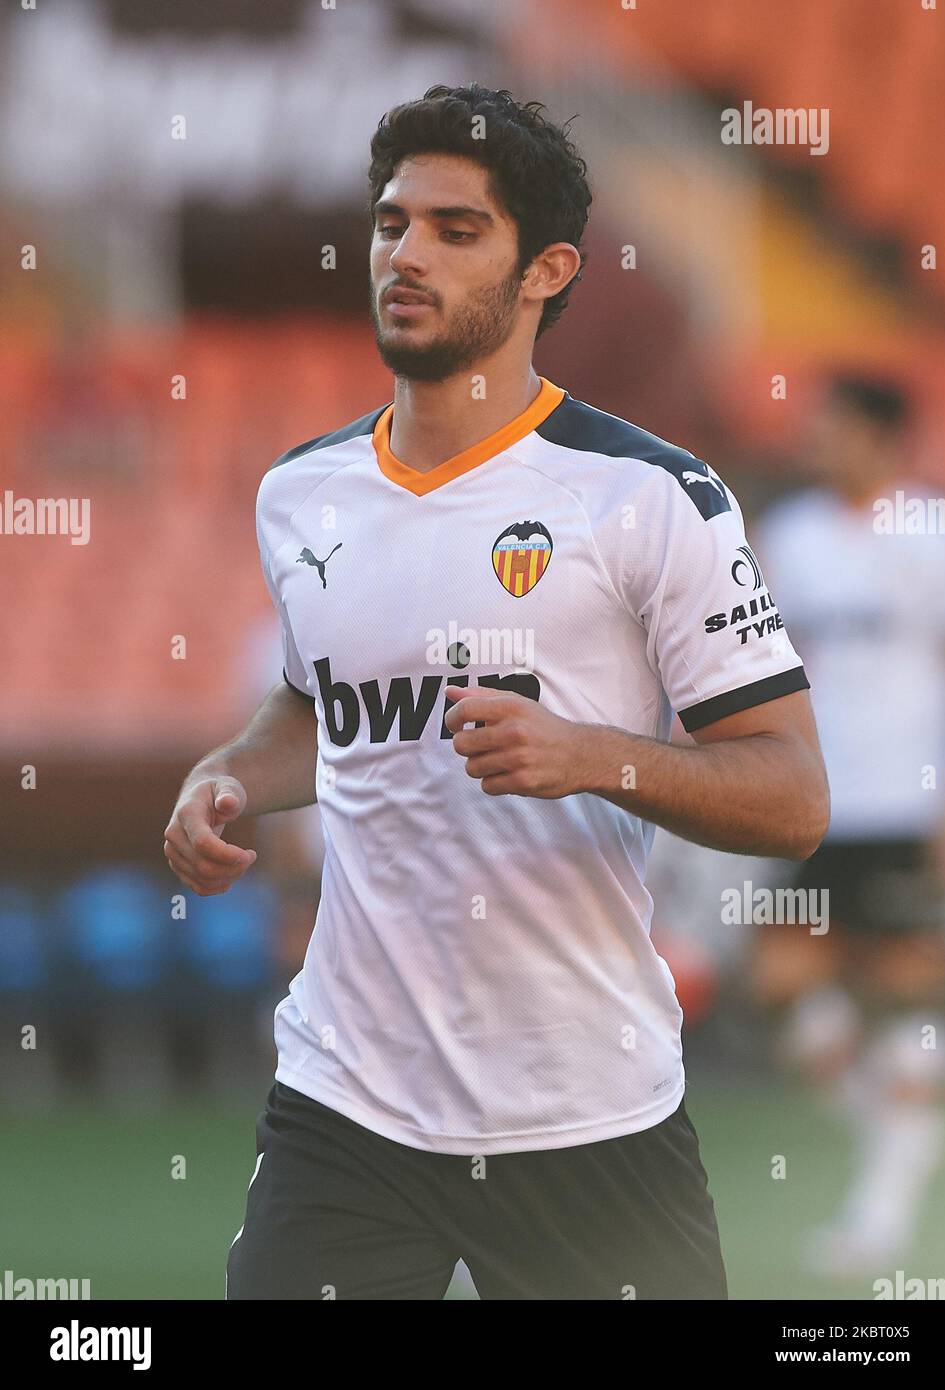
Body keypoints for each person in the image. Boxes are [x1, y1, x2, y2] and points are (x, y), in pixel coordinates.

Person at [163, 84, 828, 1300]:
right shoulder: (301, 494)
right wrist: (226, 778)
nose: (404, 254)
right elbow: (319, 714)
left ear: (545, 270)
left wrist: (593, 755)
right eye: (389, 222)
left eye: (455, 230)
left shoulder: (653, 498)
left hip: (587, 1102)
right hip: (345, 1099)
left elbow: (791, 797)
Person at [752, 373, 945, 1276]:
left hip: (907, 807)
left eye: (832, 426)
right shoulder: (789, 536)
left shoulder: (936, 533)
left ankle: (878, 1218)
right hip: (813, 802)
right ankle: (905, 1144)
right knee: (790, 993)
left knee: (912, 998)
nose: (815, 440)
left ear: (884, 438)